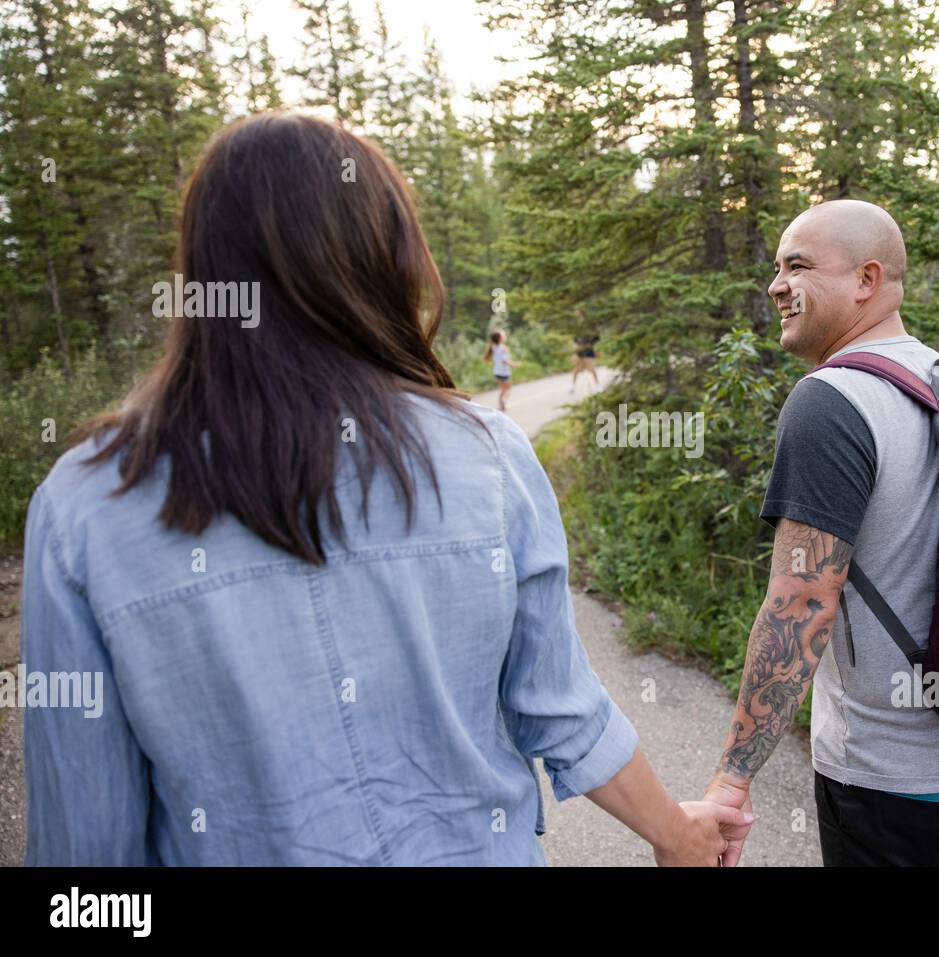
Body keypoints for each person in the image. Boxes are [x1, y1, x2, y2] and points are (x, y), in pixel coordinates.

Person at [21, 112, 749, 866]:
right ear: (381, 255)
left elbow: (85, 844)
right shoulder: (486, 456)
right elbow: (561, 708)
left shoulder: (85, 507)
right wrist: (677, 832)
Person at [701, 199, 939, 866]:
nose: (776, 284)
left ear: (866, 281)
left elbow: (800, 604)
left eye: (799, 266)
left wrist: (732, 780)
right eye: (778, 267)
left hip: (885, 770)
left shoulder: (831, 400)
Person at [484, 329, 517, 411]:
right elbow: (505, 361)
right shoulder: (504, 348)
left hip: (496, 372)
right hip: (504, 372)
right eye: (503, 335)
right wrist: (514, 365)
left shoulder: (493, 347)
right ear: (500, 338)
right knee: (508, 389)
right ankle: (503, 402)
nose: (505, 336)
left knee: (502, 389)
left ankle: (500, 404)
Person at [570, 329, 599, 394]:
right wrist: (574, 353)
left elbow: (596, 340)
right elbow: (575, 342)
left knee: (592, 370)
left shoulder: (591, 331)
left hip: (589, 354)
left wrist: (595, 351)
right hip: (579, 354)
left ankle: (598, 386)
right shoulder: (578, 331)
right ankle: (572, 386)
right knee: (576, 370)